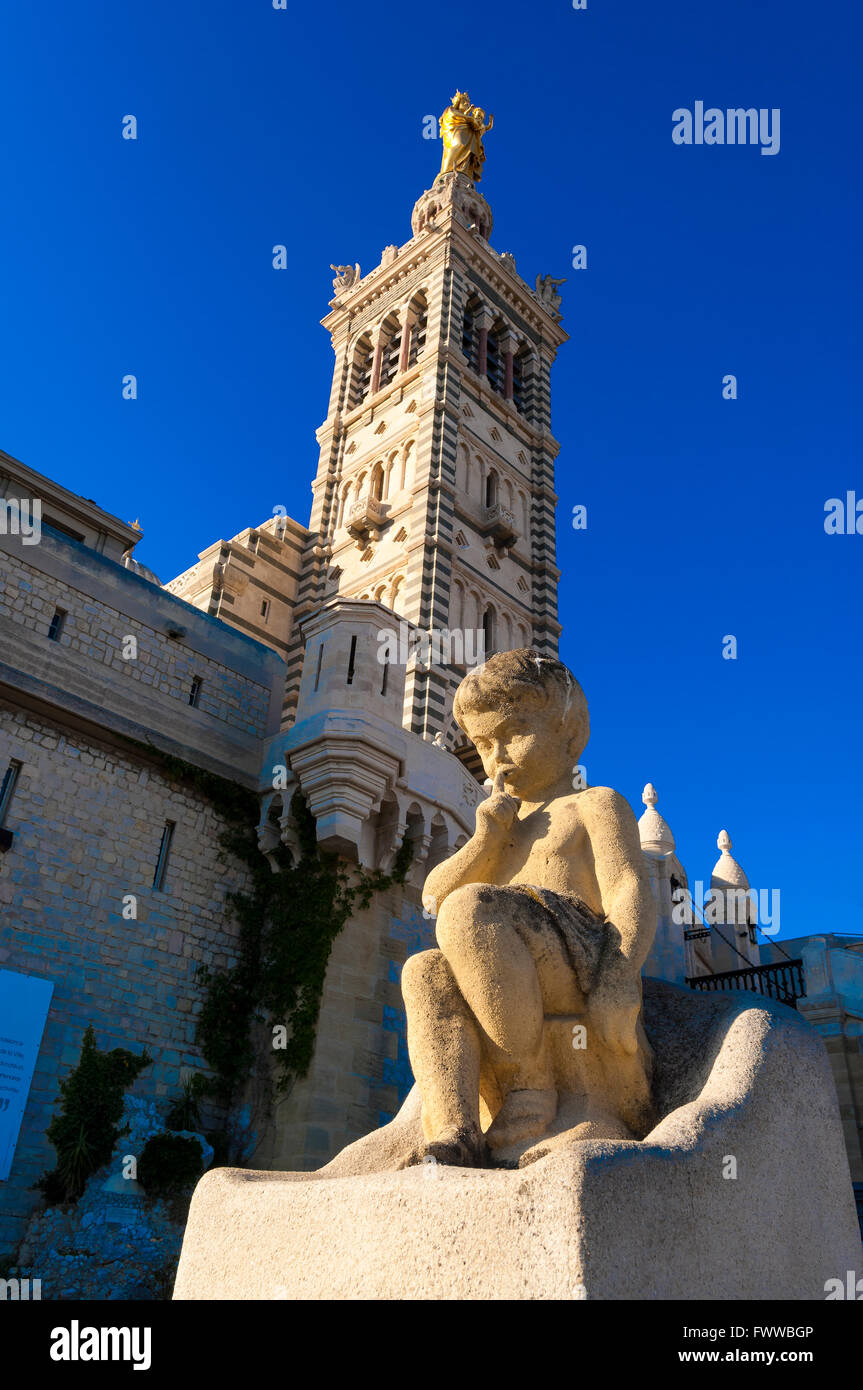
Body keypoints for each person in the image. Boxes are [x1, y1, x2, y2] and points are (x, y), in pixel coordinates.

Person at [401, 648, 656, 1166]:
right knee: (422, 970)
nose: (497, 758)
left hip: (579, 952)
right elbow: (431, 898)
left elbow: (628, 887)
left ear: (569, 732)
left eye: (514, 733)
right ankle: (454, 1131)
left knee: (470, 908)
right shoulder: (501, 827)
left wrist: (617, 975)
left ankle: (530, 1093)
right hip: (509, 959)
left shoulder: (593, 803)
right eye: (483, 744)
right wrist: (484, 842)